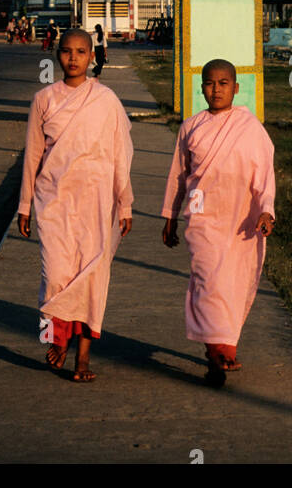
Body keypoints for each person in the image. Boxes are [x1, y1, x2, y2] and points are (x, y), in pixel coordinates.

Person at [18, 29, 133, 382]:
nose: (73, 58)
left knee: (92, 277)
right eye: (66, 51)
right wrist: (24, 205)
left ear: (92, 55)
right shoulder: (44, 99)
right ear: (56, 55)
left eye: (81, 52)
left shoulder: (107, 99)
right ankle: (56, 337)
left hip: (98, 201)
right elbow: (33, 154)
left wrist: (125, 203)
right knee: (54, 276)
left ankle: (82, 357)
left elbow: (120, 153)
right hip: (54, 200)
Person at [161, 58, 275, 384]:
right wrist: (169, 215)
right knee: (208, 281)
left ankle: (225, 347)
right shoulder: (191, 127)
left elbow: (264, 176)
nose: (216, 90)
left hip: (241, 218)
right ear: (201, 88)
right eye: (210, 83)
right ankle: (216, 352)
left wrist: (267, 210)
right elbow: (178, 177)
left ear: (236, 88)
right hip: (203, 218)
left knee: (233, 286)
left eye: (224, 83)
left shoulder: (251, 129)